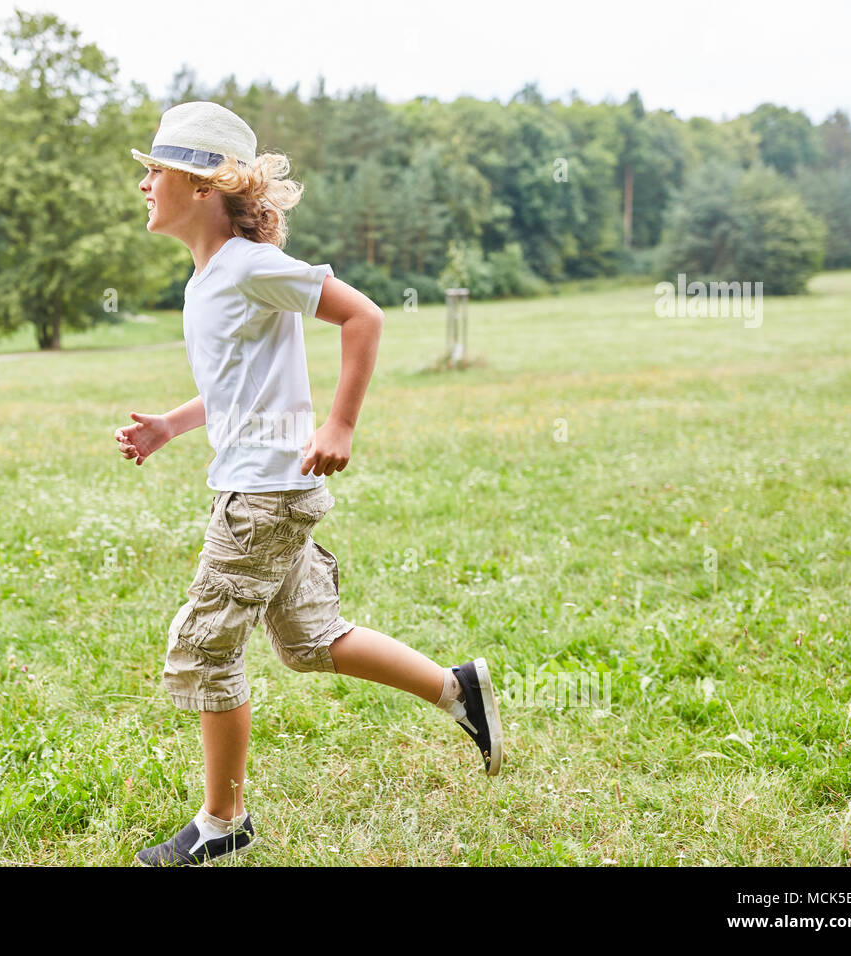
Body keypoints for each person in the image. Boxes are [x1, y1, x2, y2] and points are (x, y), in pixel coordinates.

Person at [115, 101, 502, 867]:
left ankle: (223, 822)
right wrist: (171, 424)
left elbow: (363, 317)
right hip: (261, 485)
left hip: (263, 495)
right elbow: (235, 389)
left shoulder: (251, 267)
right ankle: (458, 691)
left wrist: (340, 426)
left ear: (201, 186)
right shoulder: (210, 279)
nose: (144, 184)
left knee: (205, 651)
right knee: (308, 640)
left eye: (155, 170)